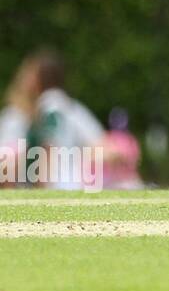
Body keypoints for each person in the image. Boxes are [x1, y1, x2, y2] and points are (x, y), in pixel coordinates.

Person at [0, 49, 106, 189]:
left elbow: (48, 144)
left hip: (59, 183)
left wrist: (42, 184)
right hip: (74, 183)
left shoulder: (49, 103)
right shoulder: (67, 105)